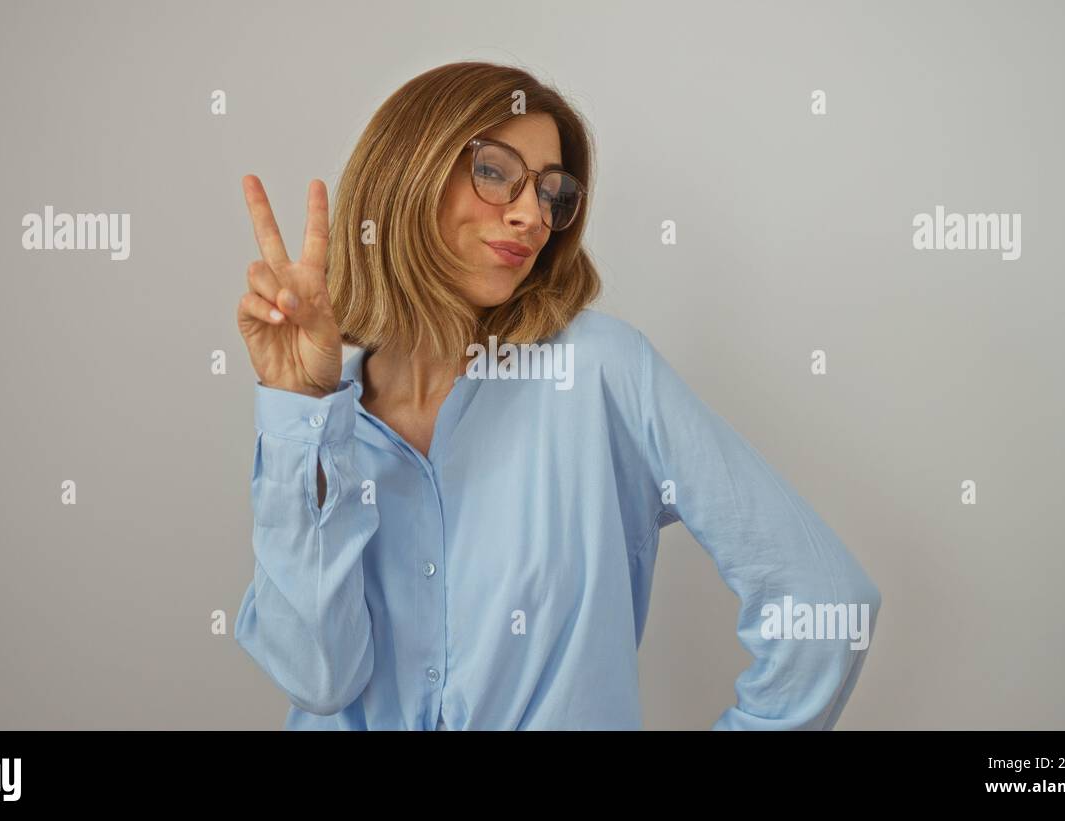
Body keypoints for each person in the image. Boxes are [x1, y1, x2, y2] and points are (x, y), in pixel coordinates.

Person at [232, 61, 881, 730]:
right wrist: (299, 412)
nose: (531, 215)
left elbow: (828, 601)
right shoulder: (320, 414)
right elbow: (317, 675)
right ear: (407, 169)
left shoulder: (602, 373)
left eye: (552, 192)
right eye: (494, 171)